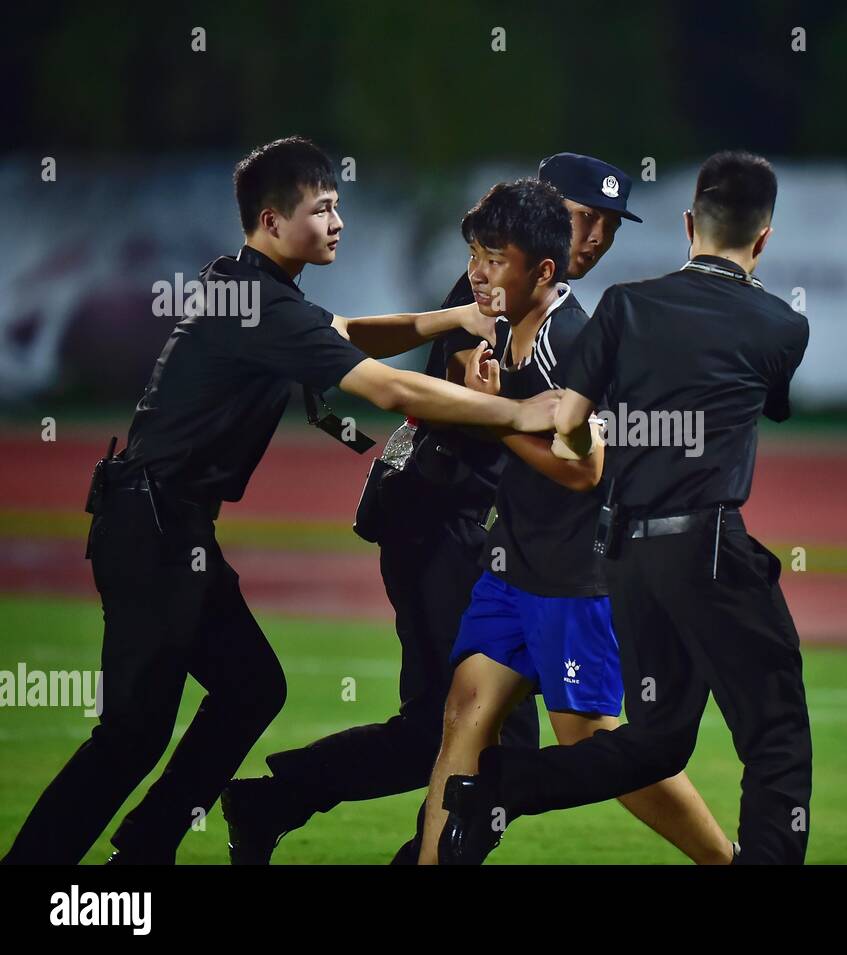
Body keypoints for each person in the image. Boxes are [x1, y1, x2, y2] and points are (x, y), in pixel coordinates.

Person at [0, 136, 556, 866]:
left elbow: (349, 334)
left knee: (251, 688)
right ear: (270, 220)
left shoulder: (256, 292)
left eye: (338, 208)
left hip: (166, 524)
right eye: (322, 209)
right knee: (132, 734)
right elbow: (384, 387)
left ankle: (146, 845)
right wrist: (516, 413)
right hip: (153, 528)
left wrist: (449, 321)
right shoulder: (262, 305)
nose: (337, 223)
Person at [220, 154, 640, 864]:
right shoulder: (507, 290)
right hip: (442, 522)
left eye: (607, 225)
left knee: (442, 732)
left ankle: (273, 799)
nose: (593, 236)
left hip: (458, 528)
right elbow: (504, 425)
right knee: (489, 745)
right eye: (579, 216)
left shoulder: (542, 302)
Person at [437, 151, 813, 865]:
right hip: (707, 545)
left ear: (687, 224)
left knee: (654, 739)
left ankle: (500, 786)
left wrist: (522, 415)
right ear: (763, 238)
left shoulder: (623, 306)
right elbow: (770, 399)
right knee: (775, 734)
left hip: (626, 559)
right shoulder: (781, 326)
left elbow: (573, 421)